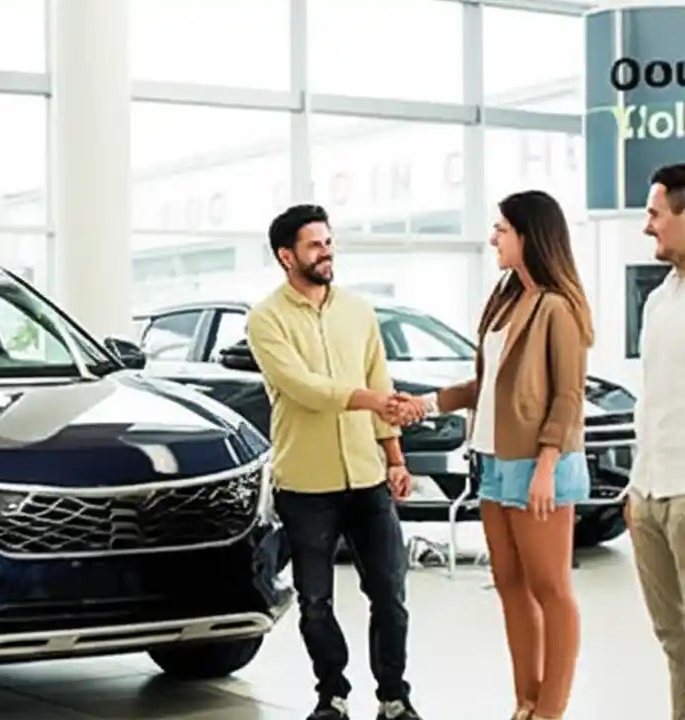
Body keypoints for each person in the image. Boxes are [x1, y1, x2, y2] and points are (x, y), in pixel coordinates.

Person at [411, 189, 592, 720]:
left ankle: (551, 709)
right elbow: (485, 385)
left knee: (551, 588)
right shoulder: (506, 299)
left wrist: (545, 466)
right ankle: (525, 700)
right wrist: (427, 403)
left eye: (502, 229)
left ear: (528, 236)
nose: (493, 237)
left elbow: (568, 395)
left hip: (540, 466)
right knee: (511, 585)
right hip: (493, 462)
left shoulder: (558, 307)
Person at [247, 203, 424, 720]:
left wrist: (394, 456)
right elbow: (304, 388)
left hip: (368, 478)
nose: (327, 252)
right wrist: (372, 400)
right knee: (315, 603)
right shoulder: (266, 319)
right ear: (287, 256)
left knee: (389, 595)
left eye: (329, 242)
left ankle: (394, 696)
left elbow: (380, 379)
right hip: (306, 484)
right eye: (314, 244)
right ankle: (333, 694)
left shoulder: (358, 311)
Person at [625, 162, 685, 720]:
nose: (648, 227)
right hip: (650, 493)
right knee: (674, 640)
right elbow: (655, 398)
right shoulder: (660, 298)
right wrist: (634, 486)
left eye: (655, 214)